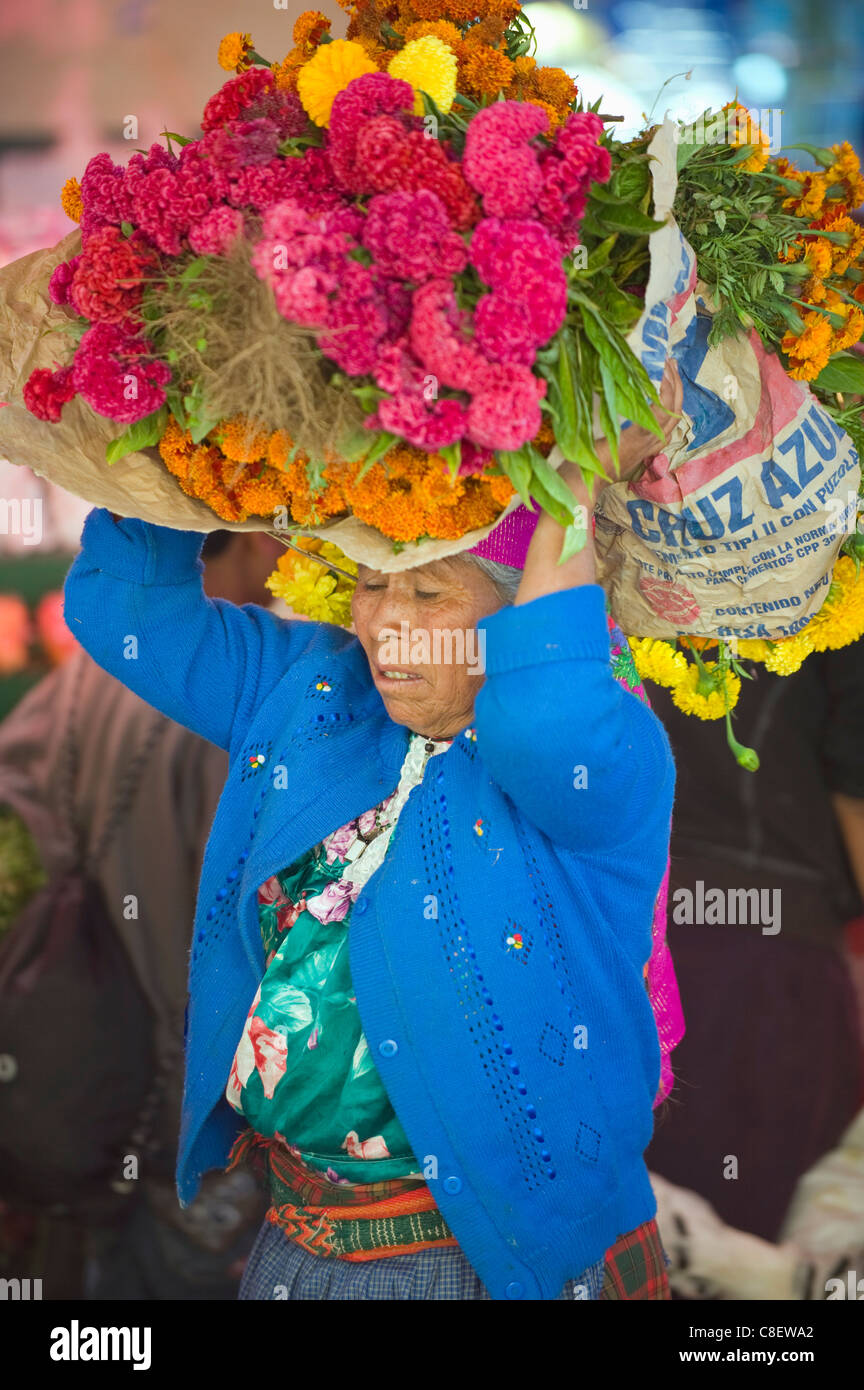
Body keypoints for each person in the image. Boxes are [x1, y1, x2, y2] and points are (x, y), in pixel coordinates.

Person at [62, 366, 683, 1301]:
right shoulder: (316, 687)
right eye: (367, 582)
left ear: (526, 610)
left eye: (431, 596)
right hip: (301, 1242)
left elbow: (545, 707)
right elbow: (126, 611)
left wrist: (577, 475)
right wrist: (188, 413)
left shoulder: (600, 749)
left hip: (494, 1259)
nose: (387, 625)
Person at [0, 528, 281, 1300]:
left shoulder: (84, 673)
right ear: (255, 546)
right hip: (178, 1105)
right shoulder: (230, 709)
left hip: (74, 1066)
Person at [647, 641, 864, 1244]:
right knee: (741, 1263)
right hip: (764, 967)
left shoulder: (576, 546)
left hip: (613, 937)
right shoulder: (838, 569)